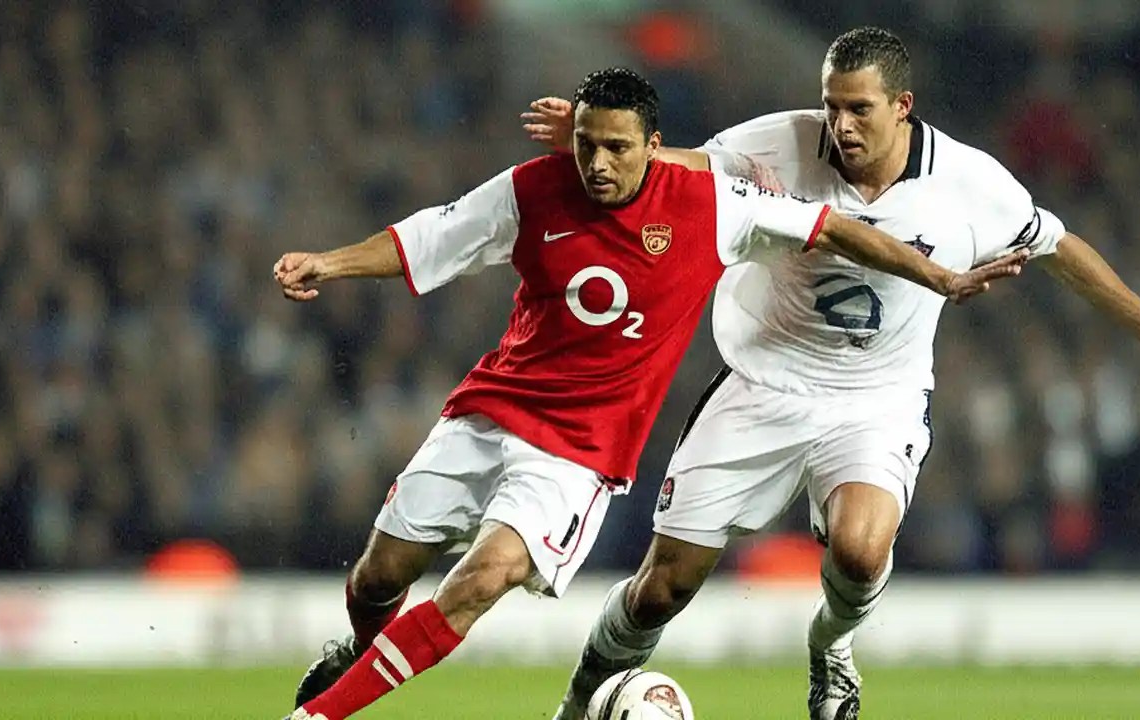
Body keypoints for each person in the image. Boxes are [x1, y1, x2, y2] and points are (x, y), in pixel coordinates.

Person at [522, 28, 1140, 720]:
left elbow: (1057, 246)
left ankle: (832, 645)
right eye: (831, 105)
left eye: (858, 108)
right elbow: (683, 169)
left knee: (862, 551)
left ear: (903, 106)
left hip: (876, 398)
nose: (839, 124)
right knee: (663, 587)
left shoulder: (968, 183)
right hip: (762, 383)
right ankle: (579, 698)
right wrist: (603, 153)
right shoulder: (777, 142)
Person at [274, 67, 1023, 720]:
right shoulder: (533, 188)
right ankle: (361, 652)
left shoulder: (712, 203)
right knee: (378, 578)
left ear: (654, 145)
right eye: (586, 145)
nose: (597, 164)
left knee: (484, 578)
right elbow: (430, 237)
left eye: (616, 149)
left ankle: (317, 717)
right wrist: (329, 264)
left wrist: (939, 277)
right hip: (490, 409)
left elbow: (833, 228)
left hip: (579, 452)